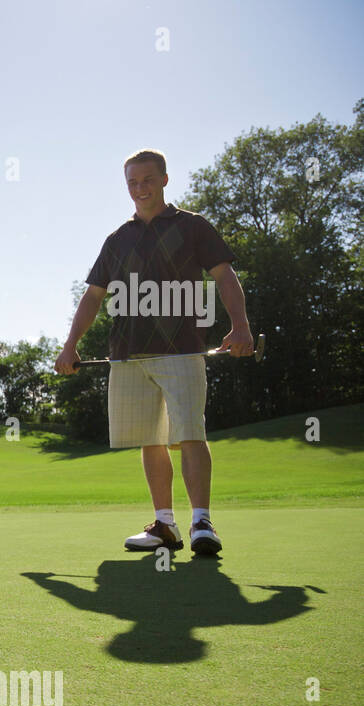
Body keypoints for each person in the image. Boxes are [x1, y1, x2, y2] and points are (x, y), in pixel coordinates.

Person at [56, 149, 254, 556]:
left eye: (147, 180)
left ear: (164, 180)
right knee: (149, 439)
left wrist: (240, 325)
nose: (140, 188)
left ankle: (202, 523)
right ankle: (165, 525)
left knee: (189, 433)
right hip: (127, 354)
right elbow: (93, 296)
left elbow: (224, 275)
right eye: (133, 182)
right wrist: (70, 344)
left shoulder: (193, 226)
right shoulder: (117, 239)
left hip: (181, 349)